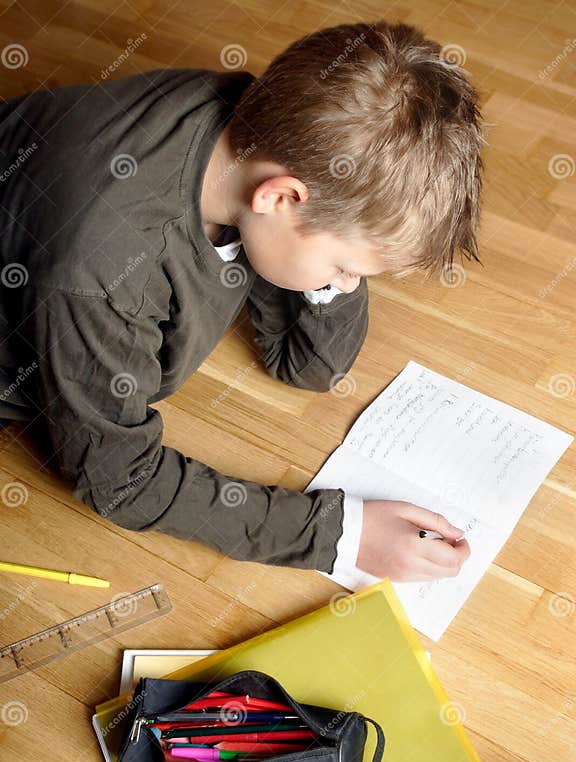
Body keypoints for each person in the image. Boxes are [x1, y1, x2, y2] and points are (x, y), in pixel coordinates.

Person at [0, 20, 480, 584]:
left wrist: (330, 278)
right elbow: (118, 478)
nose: (346, 283)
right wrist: (339, 535)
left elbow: (308, 366)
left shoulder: (260, 134)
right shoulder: (102, 270)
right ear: (279, 197)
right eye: (345, 268)